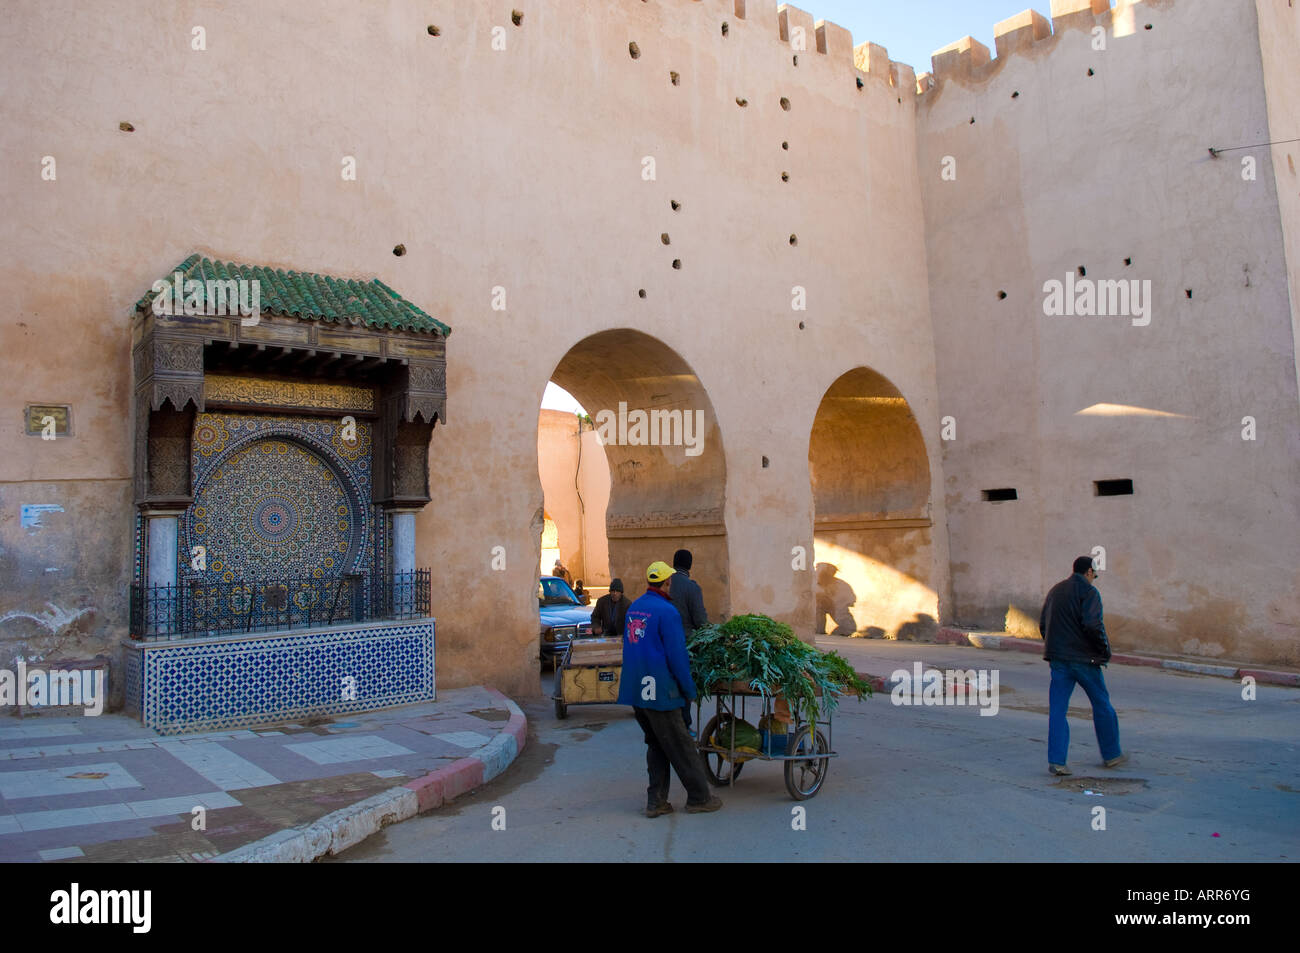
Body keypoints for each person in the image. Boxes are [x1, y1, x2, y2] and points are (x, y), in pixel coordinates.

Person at [617, 561, 722, 817]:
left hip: (635, 690)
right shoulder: (667, 612)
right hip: (660, 691)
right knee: (681, 744)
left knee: (656, 743)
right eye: (670, 582)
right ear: (666, 583)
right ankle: (699, 798)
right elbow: (677, 657)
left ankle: (657, 802)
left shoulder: (635, 608)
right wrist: (689, 689)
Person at [1039, 555, 1126, 776]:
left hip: (1059, 660)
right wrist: (1103, 650)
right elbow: (1092, 624)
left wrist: (1055, 647)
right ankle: (1112, 755)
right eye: (1094, 574)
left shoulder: (1055, 590)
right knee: (1102, 705)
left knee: (1058, 711)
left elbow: (1043, 625)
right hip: (1084, 661)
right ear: (1088, 572)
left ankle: (1057, 761)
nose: (1094, 578)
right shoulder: (1089, 593)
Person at [668, 549, 708, 733]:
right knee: (684, 684)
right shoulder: (692, 587)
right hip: (684, 644)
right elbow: (700, 621)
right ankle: (684, 725)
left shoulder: (665, 584)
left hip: (662, 642)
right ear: (689, 565)